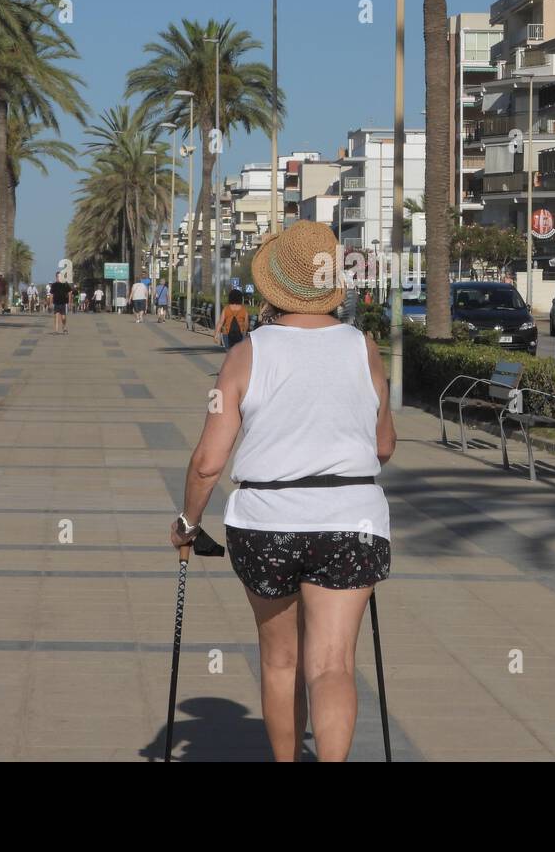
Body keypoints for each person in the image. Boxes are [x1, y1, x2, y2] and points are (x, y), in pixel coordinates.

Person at [171, 220, 395, 762]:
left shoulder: (247, 353)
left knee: (281, 661)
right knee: (334, 664)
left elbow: (207, 463)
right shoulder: (363, 348)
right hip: (352, 519)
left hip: (268, 521)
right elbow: (384, 445)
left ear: (274, 284)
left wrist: (187, 524)